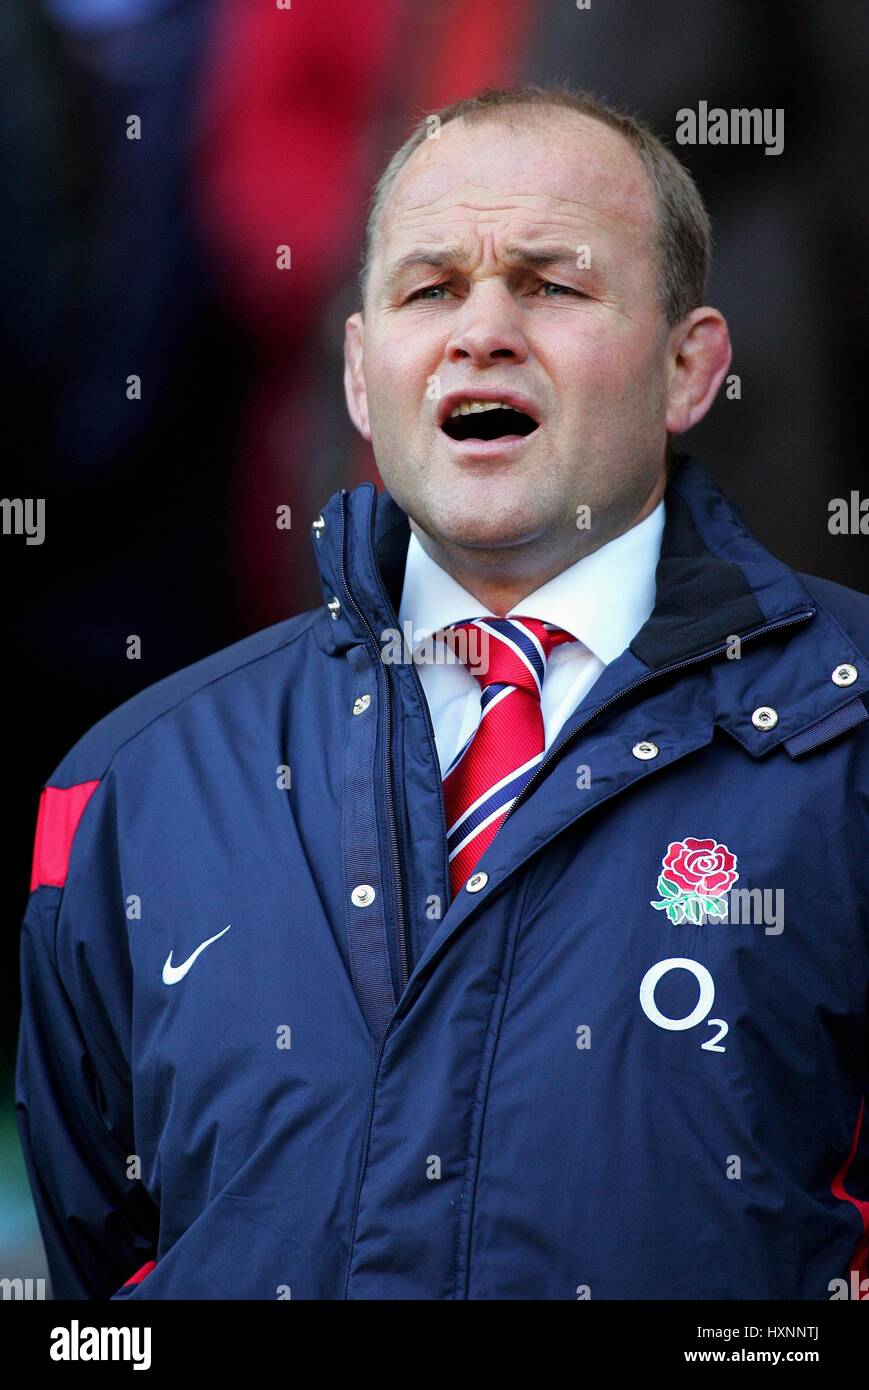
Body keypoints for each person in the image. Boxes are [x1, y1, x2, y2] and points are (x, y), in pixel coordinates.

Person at [16, 84, 869, 1301]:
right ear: (361, 376)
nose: (481, 330)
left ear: (690, 368)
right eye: (428, 289)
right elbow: (108, 1281)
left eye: (551, 283)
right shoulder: (129, 785)